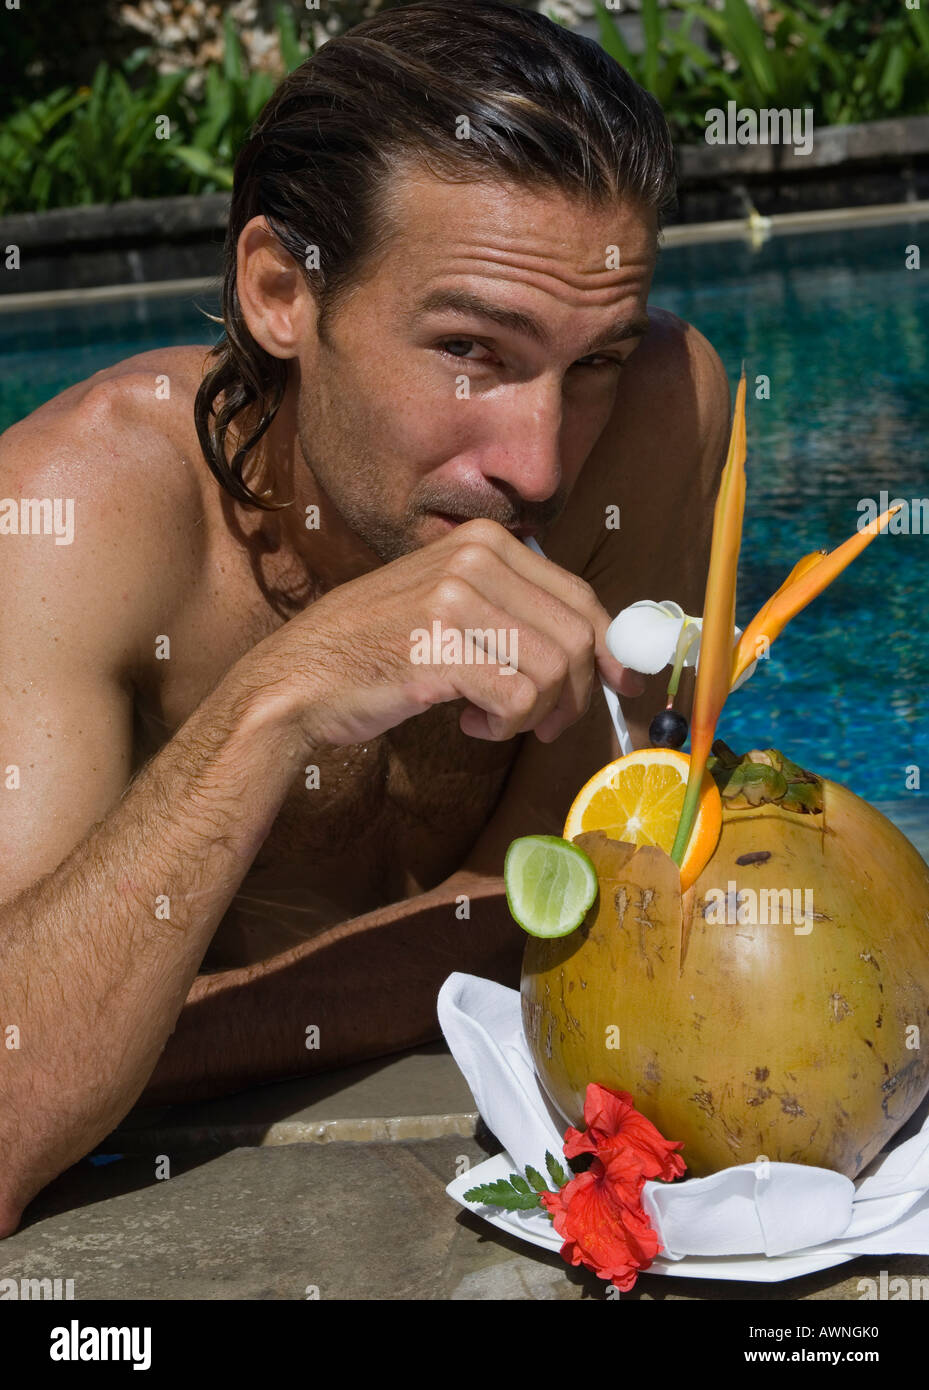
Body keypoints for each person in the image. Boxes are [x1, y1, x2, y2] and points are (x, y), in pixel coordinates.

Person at [0, 0, 730, 1236]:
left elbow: (561, 902)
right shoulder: (76, 518)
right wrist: (281, 696)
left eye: (591, 358)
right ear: (282, 290)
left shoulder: (664, 412)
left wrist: (185, 1022)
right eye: (468, 351)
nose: (539, 467)